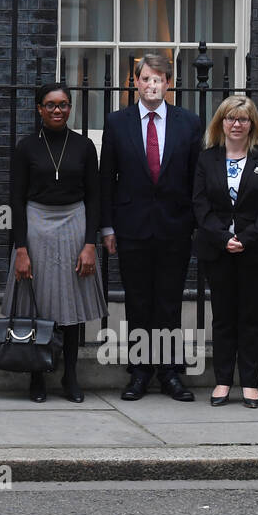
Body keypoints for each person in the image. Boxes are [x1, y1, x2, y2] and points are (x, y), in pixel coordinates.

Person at [101, 53, 203, 402]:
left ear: (169, 84)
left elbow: (196, 179)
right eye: (145, 78)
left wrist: (194, 224)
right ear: (136, 82)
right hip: (132, 227)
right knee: (138, 302)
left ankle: (171, 373)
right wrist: (107, 228)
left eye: (158, 78)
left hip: (175, 227)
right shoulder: (118, 123)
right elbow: (107, 180)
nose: (151, 84)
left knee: (170, 303)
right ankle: (140, 372)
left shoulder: (189, 123)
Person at [3, 83, 105, 403]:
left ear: (70, 108)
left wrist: (90, 244)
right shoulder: (26, 147)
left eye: (62, 104)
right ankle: (37, 375)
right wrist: (21, 249)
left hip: (75, 222)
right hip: (37, 225)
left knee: (71, 304)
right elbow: (16, 200)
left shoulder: (85, 146)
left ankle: (70, 376)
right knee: (39, 303)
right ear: (39, 109)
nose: (57, 110)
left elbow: (95, 197)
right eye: (50, 105)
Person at [193, 95, 258, 409]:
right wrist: (222, 238)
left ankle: (250, 383)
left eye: (243, 119)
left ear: (252, 124)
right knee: (223, 318)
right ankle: (222, 381)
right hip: (217, 252)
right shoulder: (207, 159)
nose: (236, 124)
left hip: (255, 251)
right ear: (221, 122)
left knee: (250, 318)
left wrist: (246, 237)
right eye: (230, 118)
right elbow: (200, 205)